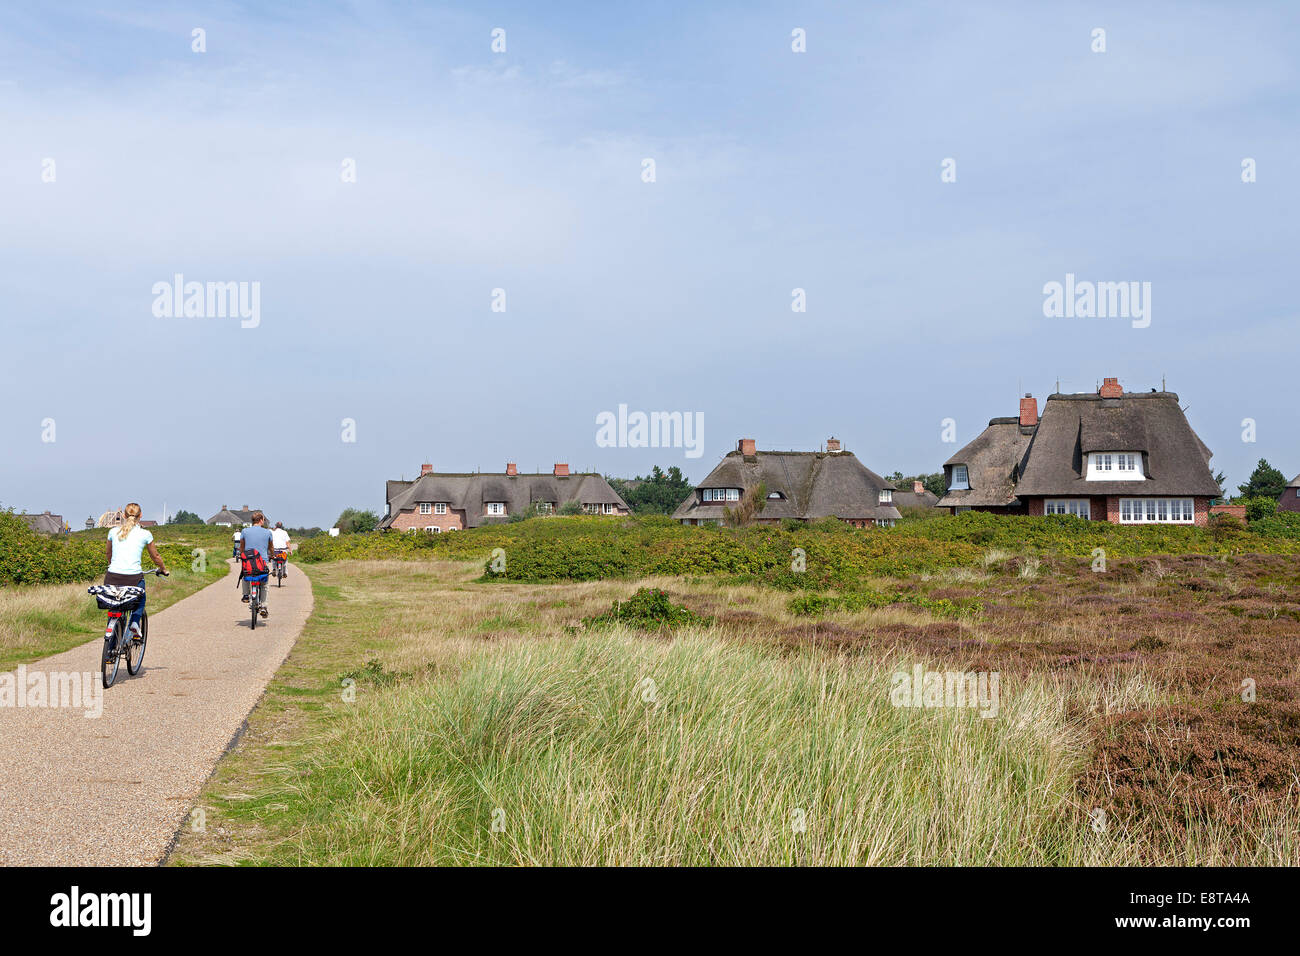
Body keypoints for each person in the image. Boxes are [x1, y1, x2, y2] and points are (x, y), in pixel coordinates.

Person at [105, 502, 167, 640]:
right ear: (141, 516)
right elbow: (155, 556)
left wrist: (113, 566)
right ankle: (134, 622)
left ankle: (109, 654)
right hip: (133, 578)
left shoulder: (113, 532)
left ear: (123, 515)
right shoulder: (145, 534)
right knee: (141, 598)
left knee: (114, 606)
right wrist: (163, 569)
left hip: (112, 577)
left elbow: (108, 553)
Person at [239, 512, 274, 617]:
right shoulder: (267, 532)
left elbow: (242, 546)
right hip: (262, 562)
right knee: (264, 584)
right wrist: (272, 555)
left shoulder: (244, 531)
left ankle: (246, 595)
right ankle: (263, 605)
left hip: (248, 560)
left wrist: (242, 555)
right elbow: (271, 547)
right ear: (261, 520)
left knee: (245, 574)